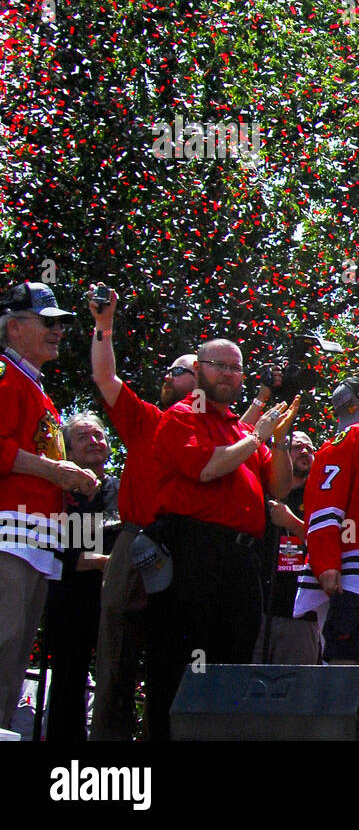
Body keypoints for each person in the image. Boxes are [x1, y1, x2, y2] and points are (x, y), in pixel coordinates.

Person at [144, 338, 295, 739]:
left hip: (243, 561)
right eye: (218, 365)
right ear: (198, 368)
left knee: (232, 669)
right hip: (194, 552)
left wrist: (278, 438)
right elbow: (208, 468)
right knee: (181, 668)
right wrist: (257, 436)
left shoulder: (239, 428)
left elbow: (278, 487)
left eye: (236, 368)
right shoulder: (182, 416)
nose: (229, 374)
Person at [86, 285, 199, 740]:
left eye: (194, 368)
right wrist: (104, 324)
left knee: (176, 654)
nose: (182, 374)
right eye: (179, 370)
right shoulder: (148, 419)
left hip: (190, 547)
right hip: (138, 539)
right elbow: (104, 377)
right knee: (115, 644)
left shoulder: (227, 433)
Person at [0, 281, 99, 733]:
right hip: (8, 540)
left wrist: (67, 478)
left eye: (61, 323)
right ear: (15, 327)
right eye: (48, 322)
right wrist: (58, 472)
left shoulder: (34, 386)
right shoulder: (4, 375)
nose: (59, 330)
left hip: (33, 544)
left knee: (13, 660)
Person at [44, 414, 117, 742]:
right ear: (68, 452)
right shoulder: (55, 492)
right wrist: (104, 561)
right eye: (84, 437)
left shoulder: (122, 489)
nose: (94, 441)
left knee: (116, 680)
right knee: (68, 683)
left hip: (114, 602)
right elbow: (53, 552)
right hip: (69, 601)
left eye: (99, 436)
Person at [304, 378, 359, 670]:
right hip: (356, 573)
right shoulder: (356, 438)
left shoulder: (348, 438)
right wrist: (326, 562)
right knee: (350, 665)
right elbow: (326, 505)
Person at [257, 430, 320, 664]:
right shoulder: (262, 490)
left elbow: (328, 543)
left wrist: (292, 523)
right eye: (297, 447)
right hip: (260, 611)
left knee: (296, 687)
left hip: (300, 615)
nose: (305, 451)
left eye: (310, 448)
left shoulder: (319, 494)